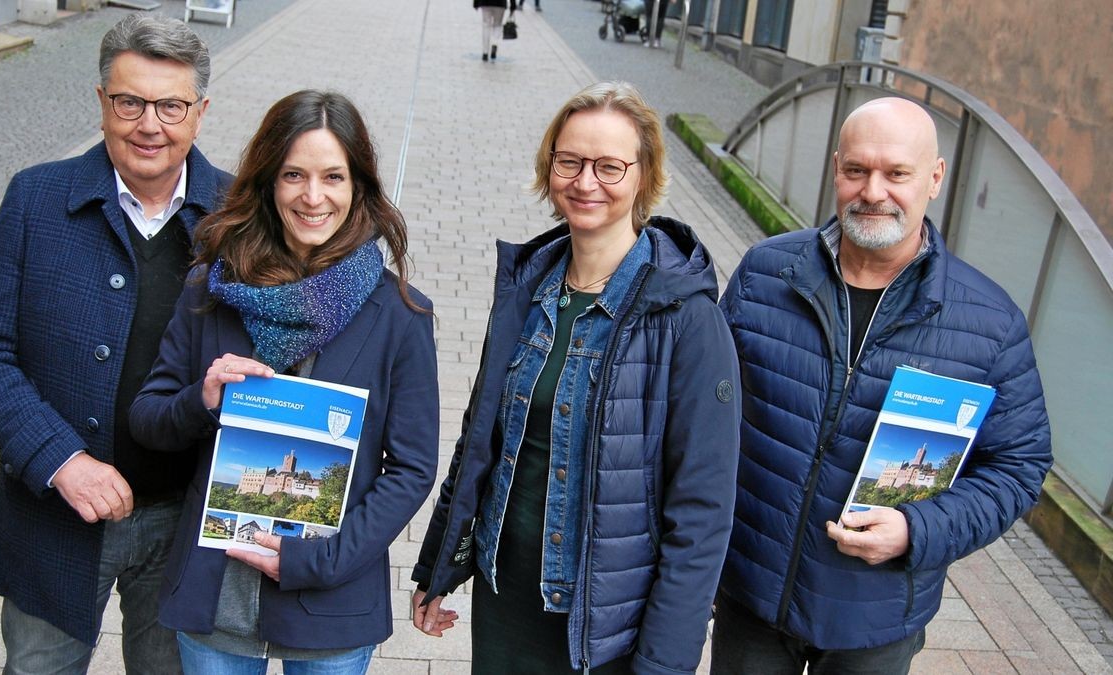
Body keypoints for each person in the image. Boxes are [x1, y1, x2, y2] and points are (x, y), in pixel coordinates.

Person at [712, 97, 1052, 673]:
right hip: (750, 591)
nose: (873, 191)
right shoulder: (766, 273)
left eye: (897, 173)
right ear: (836, 167)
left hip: (877, 616)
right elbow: (705, 412)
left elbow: (1019, 465)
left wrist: (920, 529)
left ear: (935, 178)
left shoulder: (991, 324)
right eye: (856, 170)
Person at [412, 81, 741, 674]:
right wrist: (437, 565)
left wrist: (665, 662)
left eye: (610, 166)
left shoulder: (687, 319)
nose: (586, 182)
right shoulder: (528, 289)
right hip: (503, 592)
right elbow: (480, 438)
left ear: (644, 176)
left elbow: (702, 513)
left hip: (602, 624)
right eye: (570, 161)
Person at [0, 14, 229, 674]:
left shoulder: (237, 214)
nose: (149, 125)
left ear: (201, 111)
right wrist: (59, 458)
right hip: (54, 516)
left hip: (182, 521)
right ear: (102, 101)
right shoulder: (37, 198)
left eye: (170, 105)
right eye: (129, 102)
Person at [127, 89, 439, 673]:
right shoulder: (213, 289)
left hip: (329, 603)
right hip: (215, 602)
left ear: (358, 187)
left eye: (333, 177)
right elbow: (148, 417)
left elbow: (413, 468)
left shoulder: (400, 316)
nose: (313, 196)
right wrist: (202, 399)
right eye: (294, 174)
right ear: (269, 179)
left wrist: (317, 561)